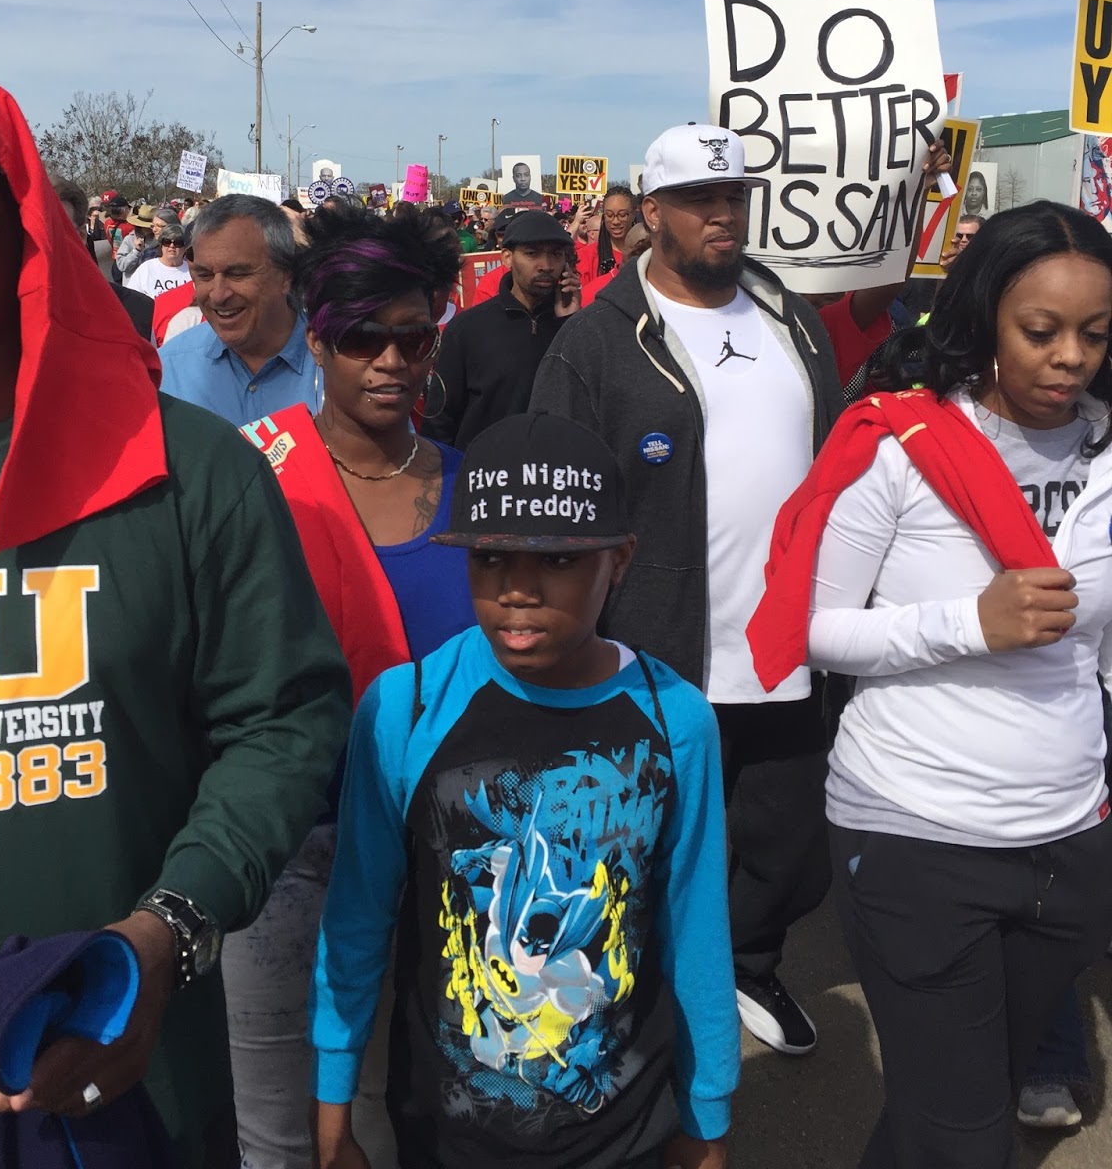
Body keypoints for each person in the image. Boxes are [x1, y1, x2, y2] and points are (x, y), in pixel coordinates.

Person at [0, 61, 351, 1169]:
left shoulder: (185, 473)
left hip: (127, 1087)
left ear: (22, 230)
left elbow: (284, 721)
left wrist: (166, 933)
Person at [748, 200, 1112, 1166]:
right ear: (985, 317)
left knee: (958, 1103)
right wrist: (968, 625)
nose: (1069, 356)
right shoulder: (898, 446)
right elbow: (810, 631)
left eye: (1093, 333)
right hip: (915, 838)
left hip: (1069, 843)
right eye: (1041, 332)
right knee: (964, 1138)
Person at [310, 412, 739, 1169]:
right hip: (446, 1135)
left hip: (624, 1134)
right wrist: (334, 1107)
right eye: (492, 558)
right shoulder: (405, 707)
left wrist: (707, 1115)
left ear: (621, 559)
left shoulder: (678, 723)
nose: (518, 589)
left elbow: (695, 929)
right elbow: (356, 921)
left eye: (559, 562)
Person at [530, 123, 843, 1057]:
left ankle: (749, 963)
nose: (723, 213)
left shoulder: (790, 315)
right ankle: (637, 991)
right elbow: (559, 497)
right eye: (702, 198)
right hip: (661, 641)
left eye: (736, 196)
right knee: (649, 834)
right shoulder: (595, 341)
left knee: (782, 836)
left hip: (792, 634)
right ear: (652, 211)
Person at [226, 206, 474, 1169]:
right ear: (319, 344)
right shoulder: (251, 478)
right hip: (290, 849)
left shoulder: (471, 483)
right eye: (362, 338)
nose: (390, 360)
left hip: (444, 851)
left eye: (412, 338)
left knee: (399, 1107)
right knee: (282, 1130)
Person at [159, 193, 323, 424]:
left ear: (286, 275)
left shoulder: (338, 365)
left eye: (238, 274)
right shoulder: (168, 370)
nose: (218, 294)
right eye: (204, 275)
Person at [422, 210, 579, 450]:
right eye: (532, 254)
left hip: (556, 474)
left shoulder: (578, 327)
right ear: (507, 257)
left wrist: (570, 324)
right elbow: (439, 422)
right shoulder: (467, 329)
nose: (546, 265)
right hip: (482, 477)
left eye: (556, 255)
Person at [51, 173, 155, 340]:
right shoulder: (2, 315)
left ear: (81, 235)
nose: (43, 240)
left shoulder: (136, 312)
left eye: (56, 228)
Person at [575, 184, 636, 286]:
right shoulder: (585, 257)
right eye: (609, 215)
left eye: (622, 215)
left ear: (633, 214)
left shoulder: (647, 254)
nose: (616, 221)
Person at [127, 222, 192, 297]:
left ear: (185, 247)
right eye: (167, 242)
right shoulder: (146, 268)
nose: (172, 246)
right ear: (161, 245)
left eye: (178, 243)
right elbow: (131, 297)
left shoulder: (192, 270)